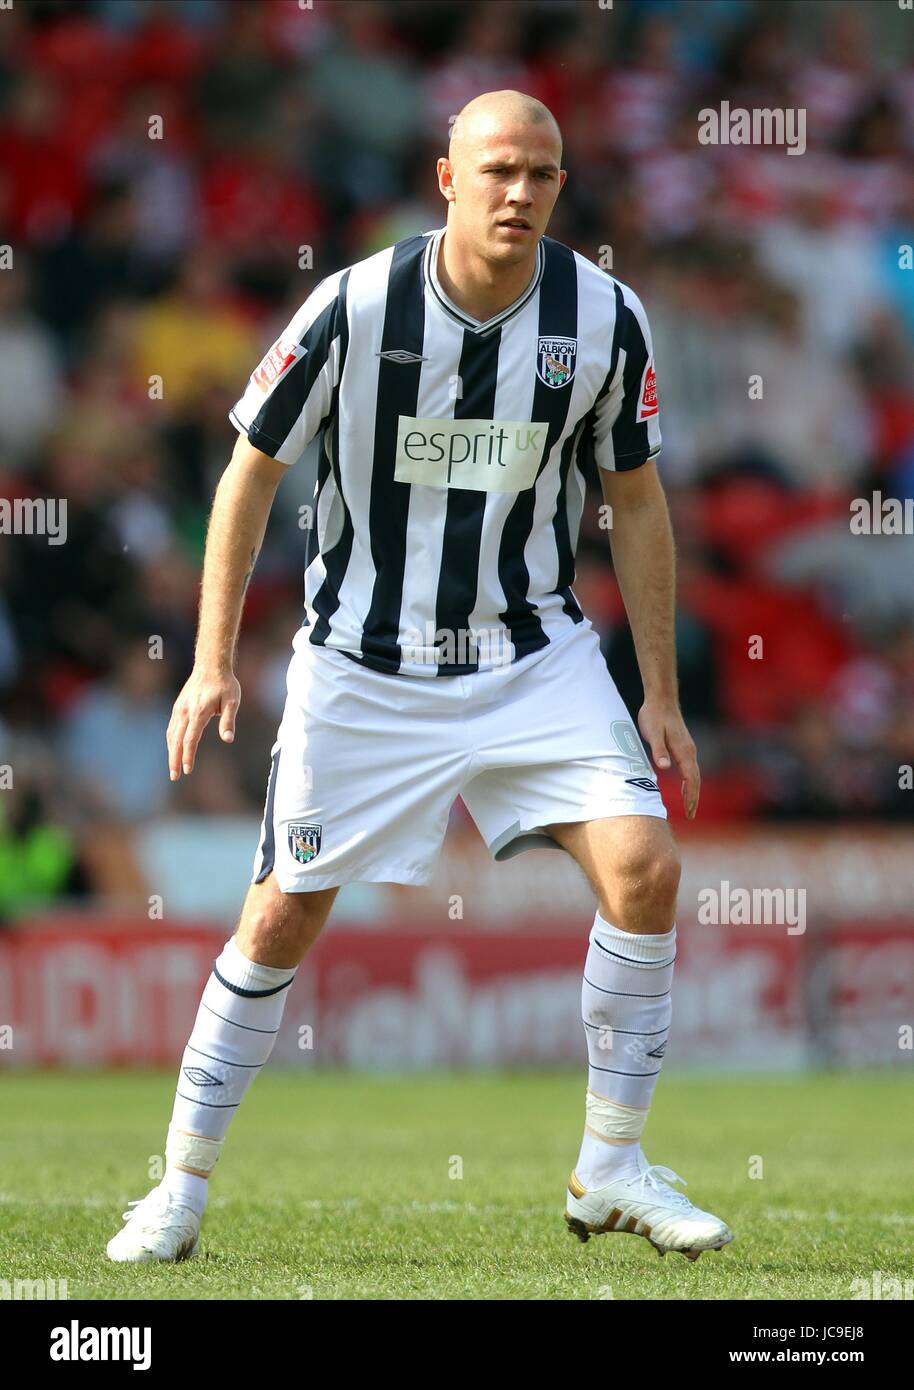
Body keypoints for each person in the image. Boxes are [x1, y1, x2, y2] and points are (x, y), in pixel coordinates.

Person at [106, 91, 731, 1265]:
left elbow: (635, 501)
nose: (519, 193)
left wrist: (659, 689)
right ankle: (178, 1187)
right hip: (363, 666)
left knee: (643, 868)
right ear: (445, 179)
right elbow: (248, 473)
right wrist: (207, 659)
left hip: (532, 653)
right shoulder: (354, 304)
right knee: (280, 916)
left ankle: (610, 1167)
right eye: (496, 169)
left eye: (541, 175)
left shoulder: (602, 319)